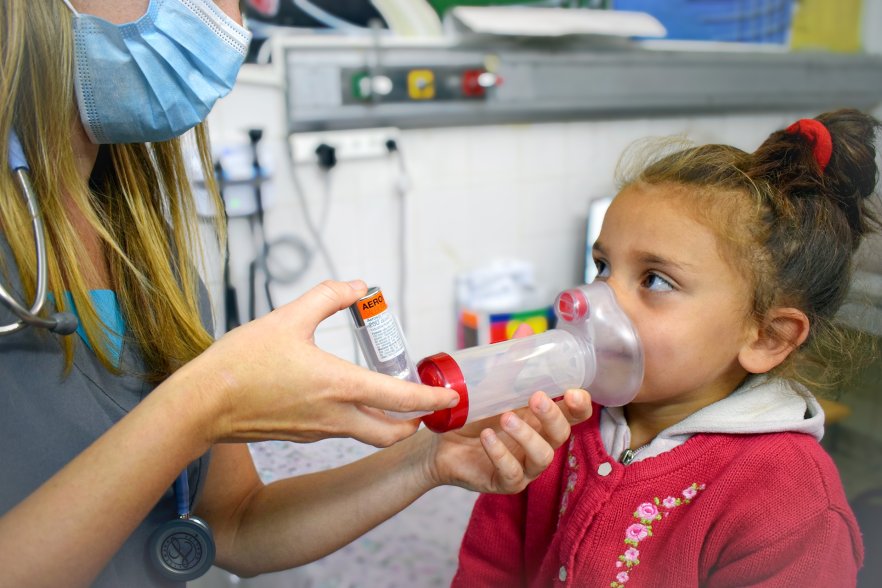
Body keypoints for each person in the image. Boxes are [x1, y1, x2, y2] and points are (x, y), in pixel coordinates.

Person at [0, 2, 592, 586]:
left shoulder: (144, 256)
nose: (227, 15)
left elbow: (235, 522)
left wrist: (430, 459)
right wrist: (208, 401)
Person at [452, 109, 879, 587]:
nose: (596, 300)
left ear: (767, 337)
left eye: (655, 279)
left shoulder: (791, 504)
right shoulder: (554, 421)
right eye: (602, 266)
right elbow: (489, 565)